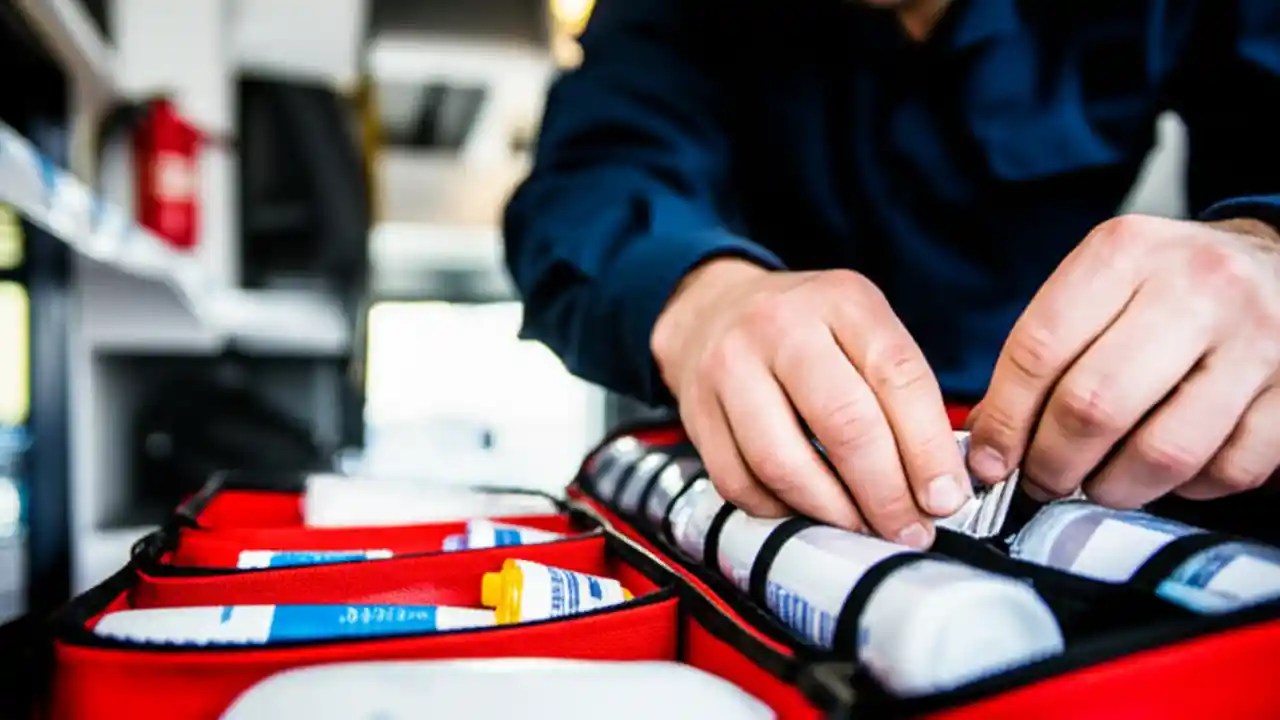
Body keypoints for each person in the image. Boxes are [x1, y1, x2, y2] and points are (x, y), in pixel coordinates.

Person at [504, 0, 1280, 549]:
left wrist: (1265, 246)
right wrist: (703, 298)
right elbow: (590, 179)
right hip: (775, 469)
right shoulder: (678, 16)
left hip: (1087, 473)